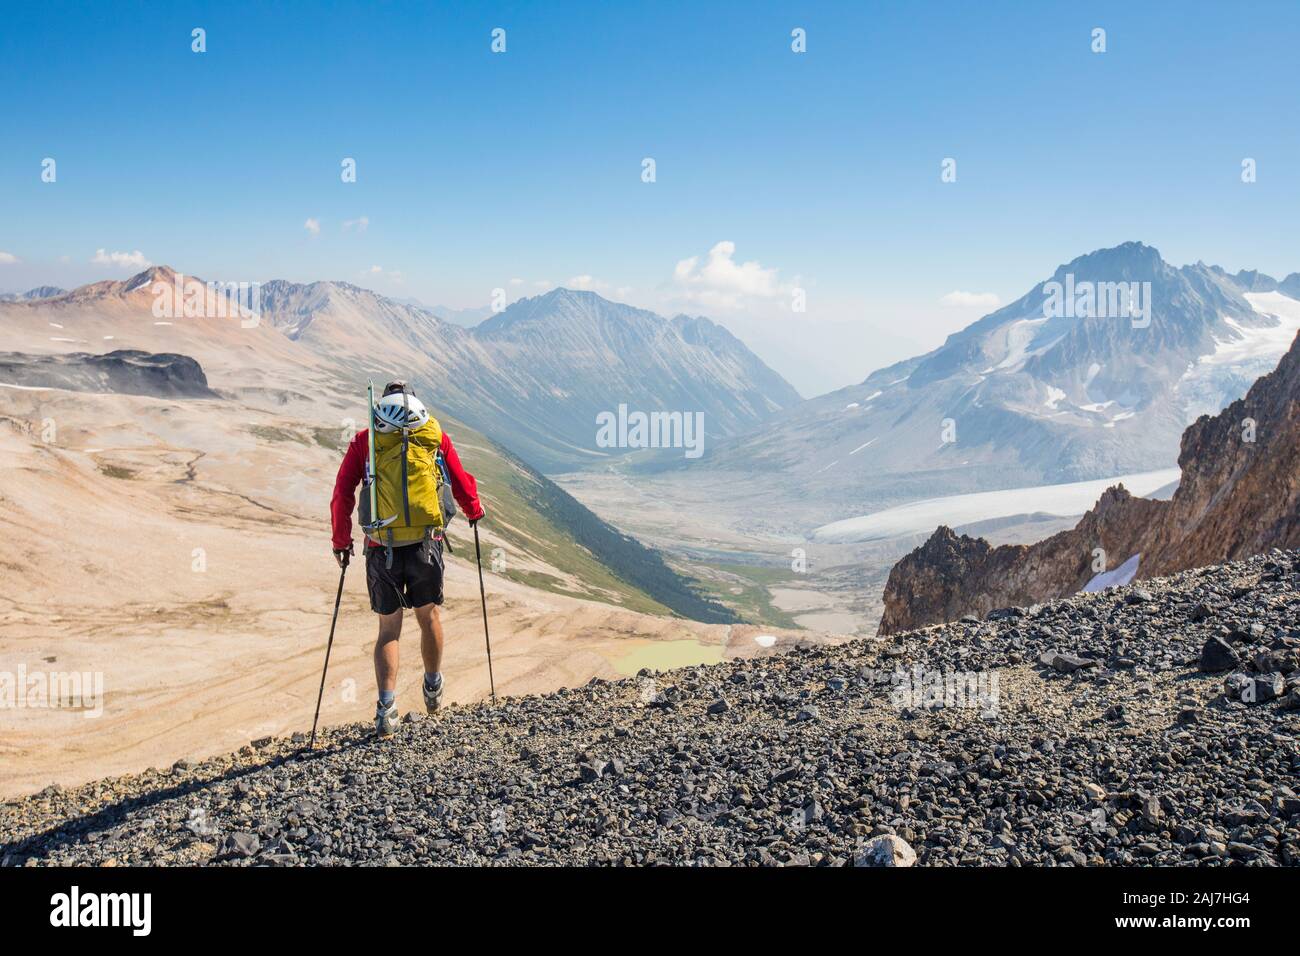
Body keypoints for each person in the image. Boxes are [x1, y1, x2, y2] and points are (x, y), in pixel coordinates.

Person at [330, 381, 486, 736]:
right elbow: (460, 480)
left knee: (389, 629)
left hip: (380, 546)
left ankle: (386, 708)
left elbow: (343, 493)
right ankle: (433, 686)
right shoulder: (432, 435)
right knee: (428, 616)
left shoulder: (365, 441)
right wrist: (473, 510)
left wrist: (341, 540)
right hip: (425, 544)